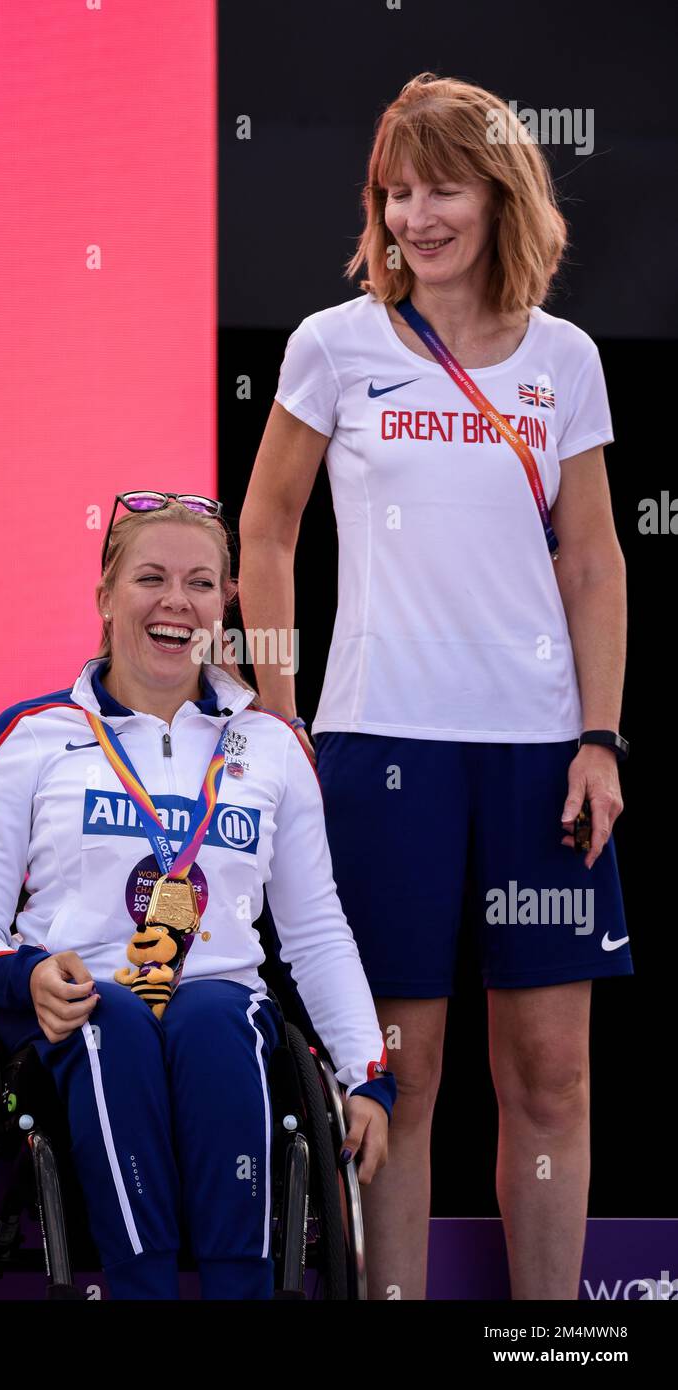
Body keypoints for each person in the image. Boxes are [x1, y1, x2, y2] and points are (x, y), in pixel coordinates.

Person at [238, 73, 632, 1301]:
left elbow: (593, 556)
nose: (414, 216)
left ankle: (553, 1335)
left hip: (535, 760)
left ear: (501, 193)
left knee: (551, 1073)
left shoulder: (564, 358)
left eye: (441, 188)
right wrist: (277, 707)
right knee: (397, 1071)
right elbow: (266, 528)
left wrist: (601, 736)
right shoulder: (333, 344)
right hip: (377, 747)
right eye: (396, 192)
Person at [0, 492, 396, 1301]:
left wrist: (365, 1075)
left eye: (201, 583)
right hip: (77, 1008)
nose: (176, 602)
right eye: (150, 577)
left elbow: (315, 930)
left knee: (216, 1015)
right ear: (105, 597)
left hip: (219, 1007)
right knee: (114, 1020)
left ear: (225, 605)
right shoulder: (32, 736)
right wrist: (29, 975)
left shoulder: (272, 746)